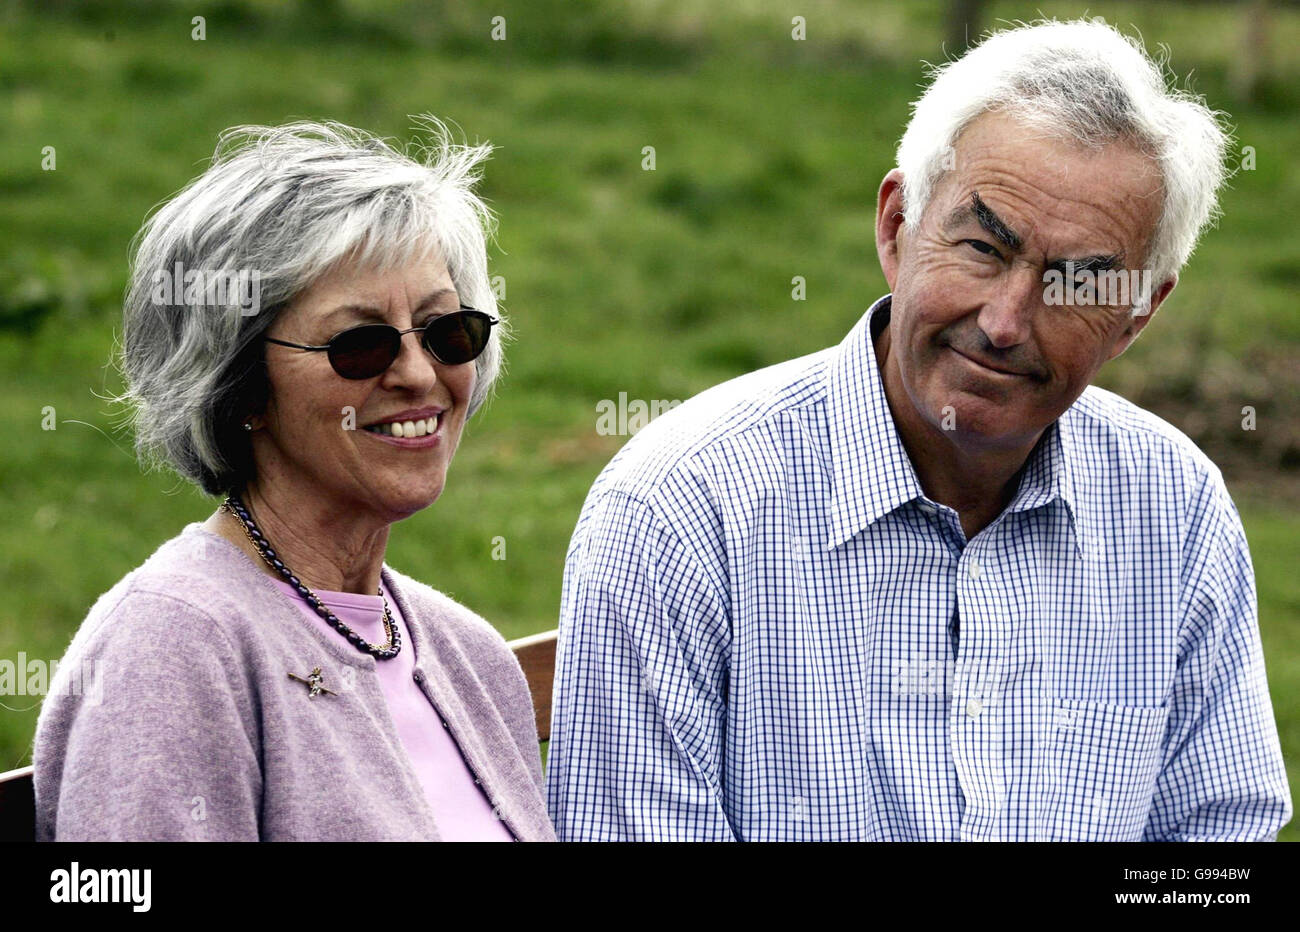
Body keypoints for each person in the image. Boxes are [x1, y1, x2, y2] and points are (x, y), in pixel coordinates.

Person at [547, 19, 1292, 841]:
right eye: (982, 247)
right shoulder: (679, 516)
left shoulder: (1174, 512)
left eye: (1077, 281)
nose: (1007, 321)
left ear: (1137, 315)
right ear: (897, 226)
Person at [33, 118, 555, 841]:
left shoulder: (467, 655)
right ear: (243, 385)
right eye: (360, 344)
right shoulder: (174, 649)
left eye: (447, 331)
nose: (417, 373)